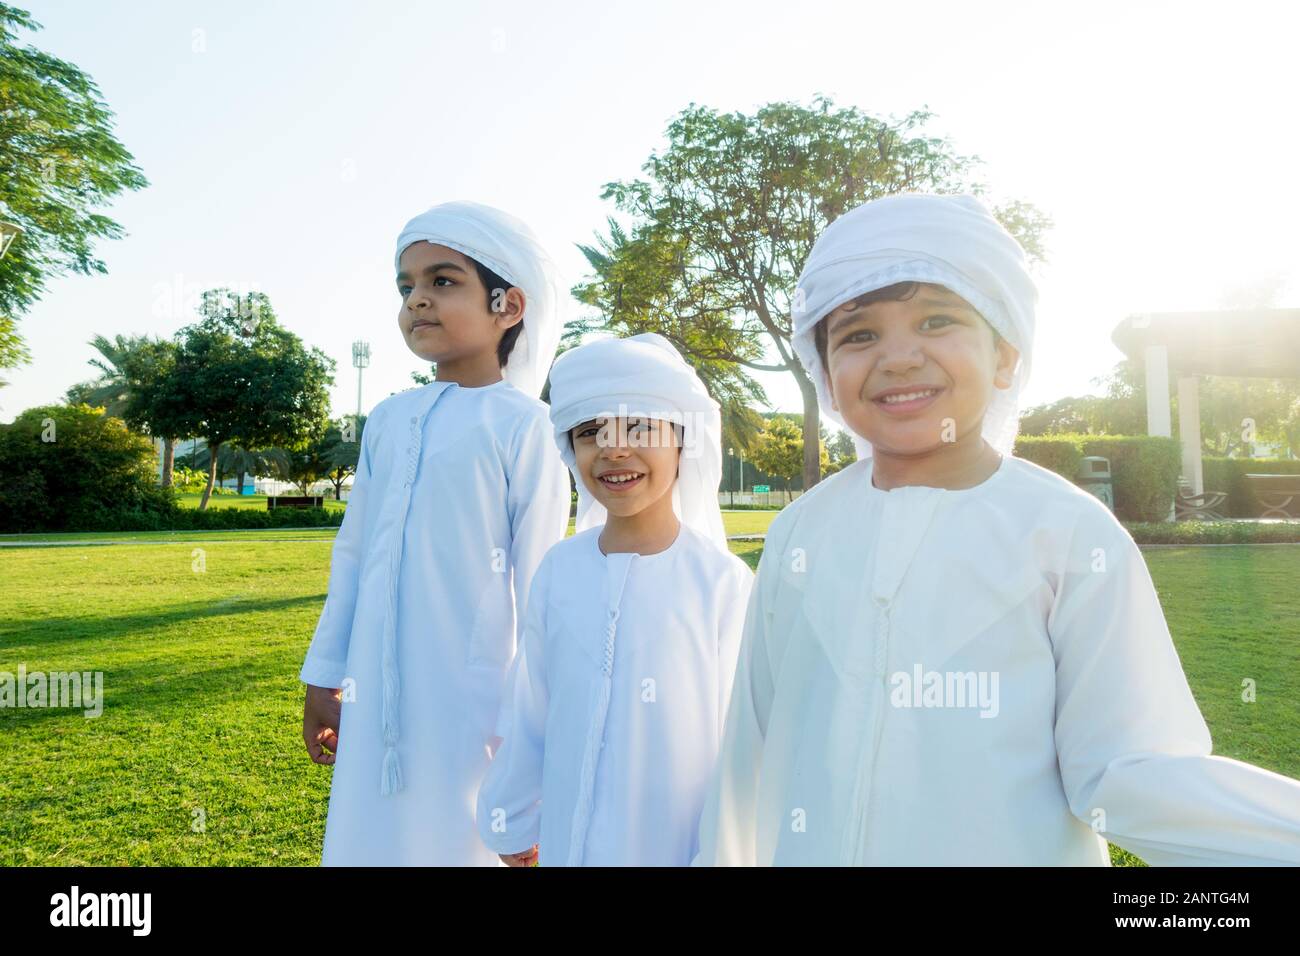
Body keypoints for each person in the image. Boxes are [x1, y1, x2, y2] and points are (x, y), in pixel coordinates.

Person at [694, 193, 1300, 866]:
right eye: (859, 334)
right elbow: (753, 739)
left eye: (937, 320)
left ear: (1006, 356)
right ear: (827, 380)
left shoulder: (1067, 535)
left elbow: (1131, 771)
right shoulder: (800, 533)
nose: (898, 358)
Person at [299, 201, 572, 865]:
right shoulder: (390, 421)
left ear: (509, 306)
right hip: (370, 688)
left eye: (443, 281)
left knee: (458, 840)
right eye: (407, 285)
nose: (418, 300)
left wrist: (525, 733)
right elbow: (355, 554)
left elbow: (540, 587)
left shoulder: (527, 427)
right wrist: (324, 676)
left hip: (471, 703)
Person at [477, 333, 753, 866]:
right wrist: (510, 819)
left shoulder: (722, 583)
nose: (613, 448)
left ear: (682, 440)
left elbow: (741, 746)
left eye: (639, 426)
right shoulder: (559, 571)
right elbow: (532, 707)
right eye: (590, 431)